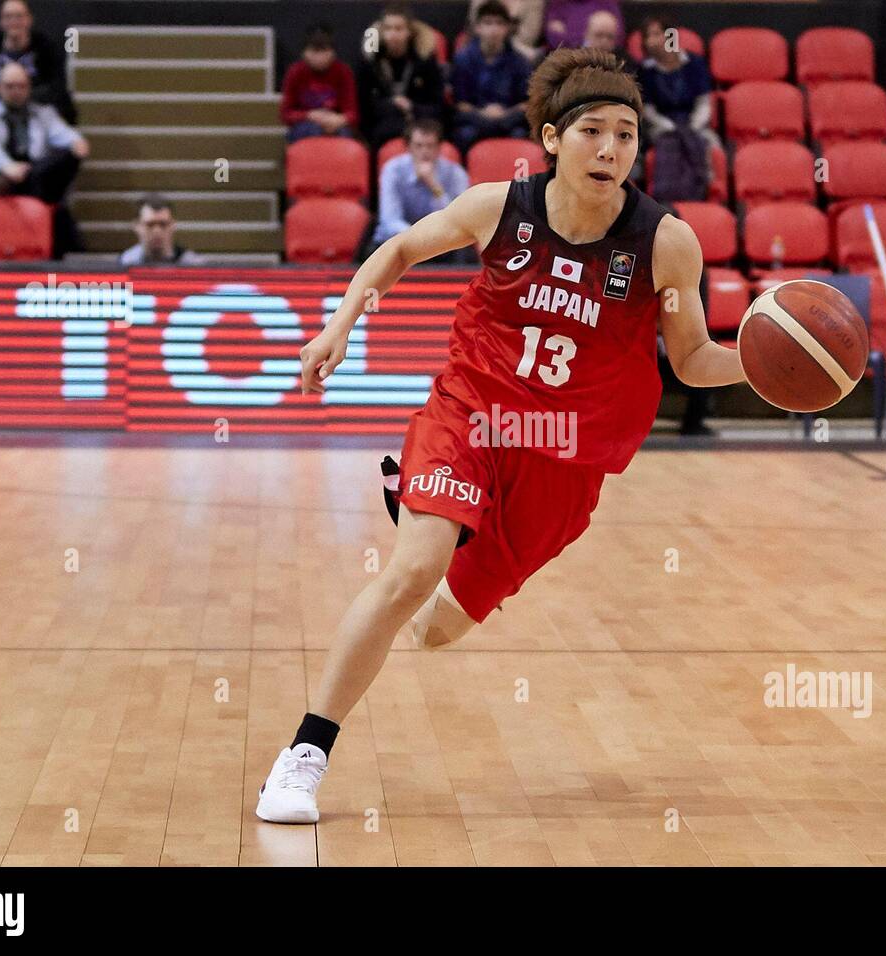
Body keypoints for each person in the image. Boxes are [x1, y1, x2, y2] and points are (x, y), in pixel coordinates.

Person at [255, 47, 746, 823]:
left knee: (438, 628)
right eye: (593, 130)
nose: (612, 148)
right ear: (553, 139)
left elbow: (692, 358)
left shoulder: (665, 244)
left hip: (566, 458)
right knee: (411, 573)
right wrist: (337, 328)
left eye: (626, 133)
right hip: (475, 413)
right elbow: (399, 250)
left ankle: (430, 511)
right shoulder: (498, 207)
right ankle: (303, 756)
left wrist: (773, 367)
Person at [0, 62, 89, 203]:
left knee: (68, 154)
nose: (16, 91)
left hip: (33, 174)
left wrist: (76, 141)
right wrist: (7, 167)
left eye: (21, 86)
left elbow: (61, 132)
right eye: (9, 86)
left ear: (29, 87)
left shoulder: (43, 113)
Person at [356, 3, 446, 148]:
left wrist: (411, 107)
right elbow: (364, 105)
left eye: (398, 29)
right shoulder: (370, 62)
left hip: (420, 121)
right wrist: (392, 105)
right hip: (382, 124)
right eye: (388, 28)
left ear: (409, 31)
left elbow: (437, 104)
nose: (393, 34)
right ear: (381, 31)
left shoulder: (425, 59)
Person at [372, 118, 470, 250]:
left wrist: (434, 185)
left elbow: (456, 222)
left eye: (430, 145)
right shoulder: (393, 169)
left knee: (464, 251)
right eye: (418, 145)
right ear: (408, 147)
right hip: (399, 241)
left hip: (442, 243)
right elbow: (390, 219)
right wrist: (420, 239)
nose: (424, 151)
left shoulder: (455, 173)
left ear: (439, 147)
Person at [450, 0, 532, 156]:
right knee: (464, 134)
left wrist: (504, 115)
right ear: (477, 28)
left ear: (507, 28)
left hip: (509, 120)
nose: (494, 29)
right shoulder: (463, 60)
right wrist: (484, 115)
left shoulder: (520, 62)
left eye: (499, 23)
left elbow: (526, 103)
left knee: (521, 135)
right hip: (475, 119)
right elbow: (460, 104)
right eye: (488, 23)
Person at [0, 0, 76, 123]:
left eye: (19, 16)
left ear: (29, 19)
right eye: (8, 17)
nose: (13, 22)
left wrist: (23, 97)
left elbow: (57, 88)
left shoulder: (47, 51)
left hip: (39, 112)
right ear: (0, 22)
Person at [636, 15, 716, 150]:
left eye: (656, 34)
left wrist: (692, 127)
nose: (651, 41)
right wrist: (671, 127)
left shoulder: (694, 63)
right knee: (669, 144)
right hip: (662, 128)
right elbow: (648, 111)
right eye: (647, 37)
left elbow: (704, 103)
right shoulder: (645, 70)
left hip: (695, 125)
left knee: (706, 143)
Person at [280, 24, 358, 143]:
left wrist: (339, 119)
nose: (319, 57)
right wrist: (309, 115)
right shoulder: (295, 72)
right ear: (304, 53)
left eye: (324, 51)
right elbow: (286, 114)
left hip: (336, 124)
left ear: (333, 52)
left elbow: (353, 114)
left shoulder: (343, 72)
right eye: (314, 51)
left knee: (343, 135)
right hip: (305, 124)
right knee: (314, 131)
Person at [118, 194, 204, 266]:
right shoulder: (125, 262)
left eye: (163, 224)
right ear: (137, 226)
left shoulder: (192, 264)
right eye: (150, 225)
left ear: (173, 225)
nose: (157, 231)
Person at [468, 0, 545, 61]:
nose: (495, 28)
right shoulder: (465, 58)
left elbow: (529, 37)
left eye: (500, 23)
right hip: (483, 45)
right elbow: (475, 23)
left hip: (519, 50)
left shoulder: (534, 2)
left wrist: (507, 45)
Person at [543, 0, 622, 51]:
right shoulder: (558, 4)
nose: (603, 41)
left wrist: (568, 35)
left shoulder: (607, 3)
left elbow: (618, 36)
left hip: (609, 56)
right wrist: (583, 44)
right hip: (565, 57)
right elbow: (553, 39)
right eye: (598, 35)